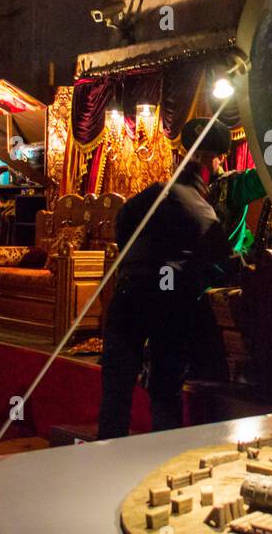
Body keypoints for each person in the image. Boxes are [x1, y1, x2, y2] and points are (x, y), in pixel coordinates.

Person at [97, 119, 234, 438]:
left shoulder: (153, 193)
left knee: (116, 387)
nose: (217, 168)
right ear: (205, 161)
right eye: (216, 160)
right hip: (168, 304)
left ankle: (104, 456)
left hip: (128, 294)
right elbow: (223, 262)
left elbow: (123, 223)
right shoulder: (199, 207)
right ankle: (160, 458)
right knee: (164, 391)